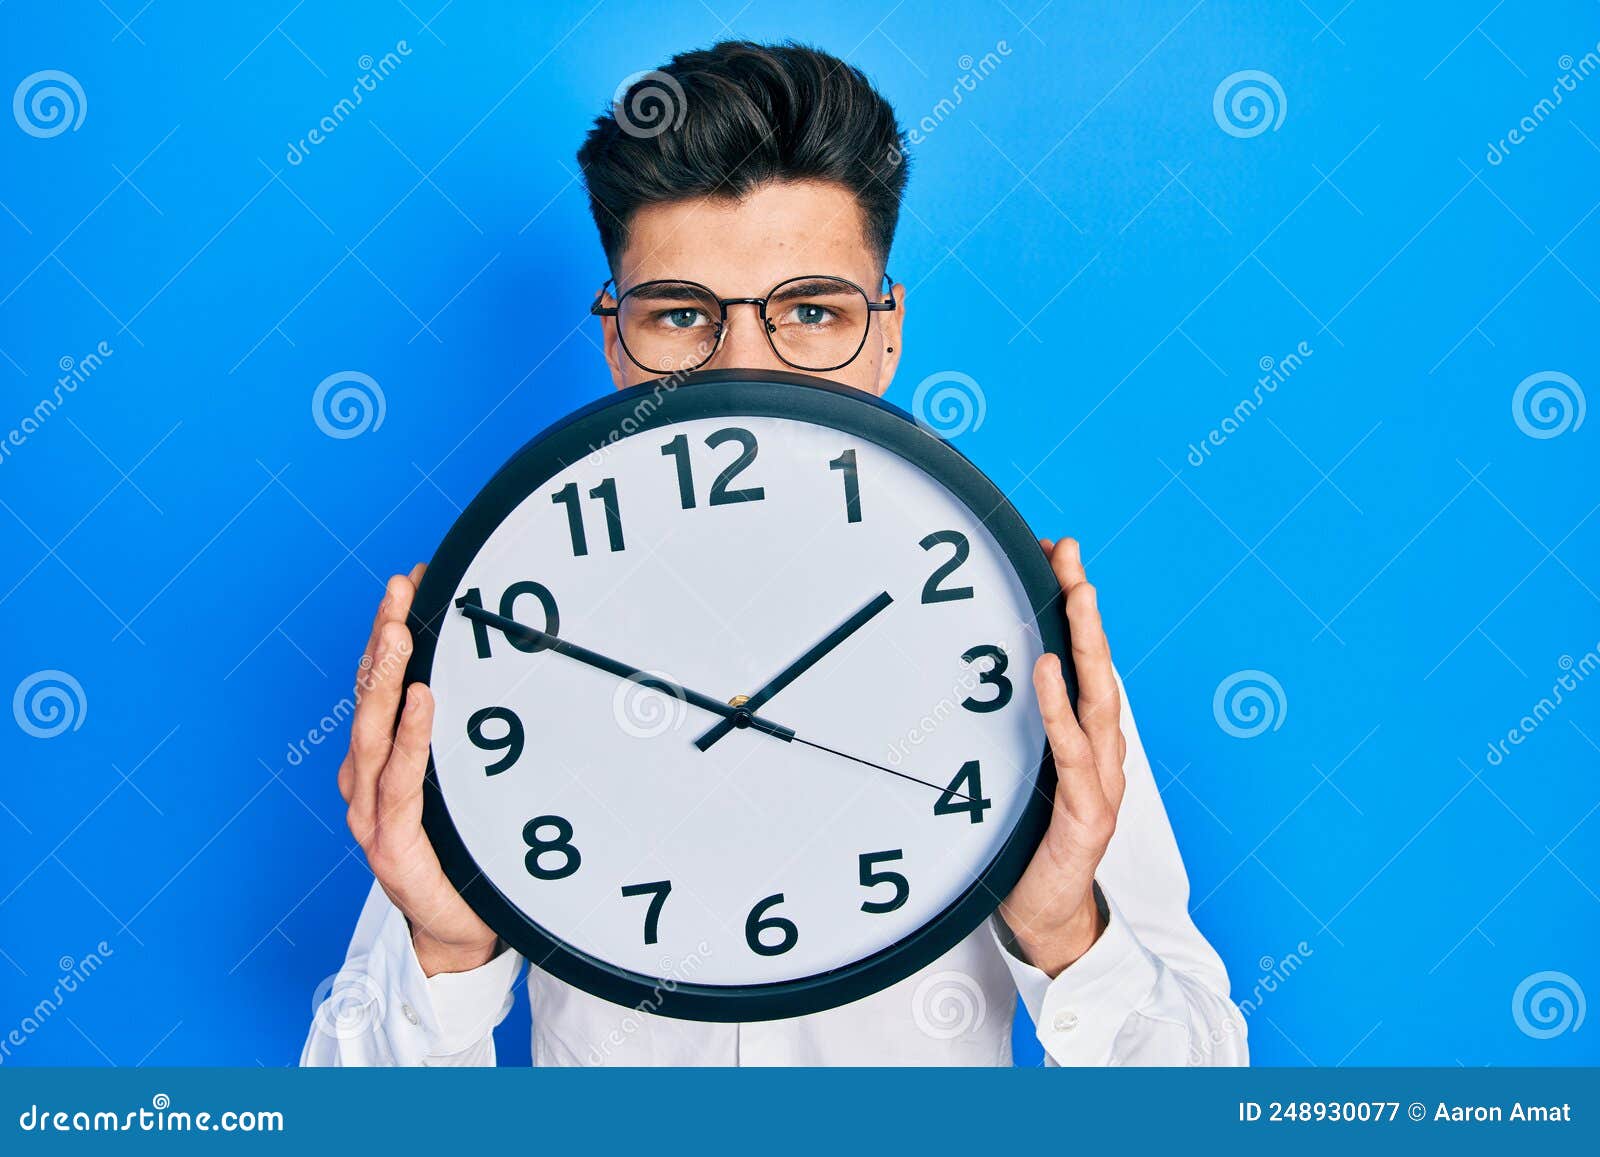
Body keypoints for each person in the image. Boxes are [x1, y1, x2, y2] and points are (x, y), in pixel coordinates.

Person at [303, 39, 1246, 1067]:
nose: (744, 370)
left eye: (809, 312)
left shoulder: (1009, 629)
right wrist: (445, 948)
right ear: (616, 340)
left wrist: (1065, 928)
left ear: (885, 333)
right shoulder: (510, 631)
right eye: (678, 315)